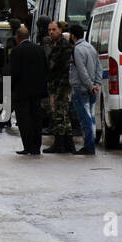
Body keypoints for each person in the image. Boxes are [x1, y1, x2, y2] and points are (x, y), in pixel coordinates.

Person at [8, 23, 48, 155]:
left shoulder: (16, 51)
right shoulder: (39, 49)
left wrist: (11, 88)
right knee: (36, 119)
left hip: (22, 91)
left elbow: (14, 72)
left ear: (18, 37)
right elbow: (45, 69)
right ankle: (37, 147)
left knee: (24, 120)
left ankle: (28, 146)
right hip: (37, 91)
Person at [44, 19, 76, 154]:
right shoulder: (55, 45)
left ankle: (60, 143)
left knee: (59, 113)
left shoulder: (64, 46)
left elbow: (60, 68)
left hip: (61, 84)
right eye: (50, 30)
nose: (51, 32)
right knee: (63, 114)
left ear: (60, 30)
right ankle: (67, 143)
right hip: (56, 84)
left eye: (54, 30)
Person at [69, 24, 99, 155]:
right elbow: (99, 67)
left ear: (72, 35)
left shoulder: (77, 49)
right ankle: (90, 145)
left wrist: (90, 86)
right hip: (91, 88)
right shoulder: (91, 48)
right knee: (91, 118)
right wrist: (96, 84)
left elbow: (81, 71)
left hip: (81, 88)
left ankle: (88, 146)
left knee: (85, 118)